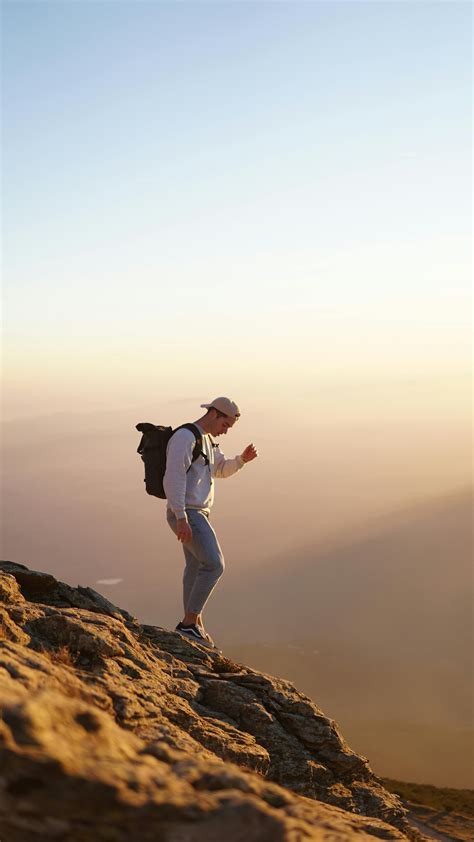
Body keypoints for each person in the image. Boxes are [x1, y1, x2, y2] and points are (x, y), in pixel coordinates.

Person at [163, 396, 258, 649]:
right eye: (225, 424)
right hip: (188, 512)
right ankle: (188, 624)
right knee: (215, 565)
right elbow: (173, 479)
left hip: (195, 513)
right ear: (215, 414)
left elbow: (219, 470)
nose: (225, 431)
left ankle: (194, 624)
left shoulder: (206, 440)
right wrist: (181, 517)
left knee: (195, 567)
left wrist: (241, 461)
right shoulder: (185, 438)